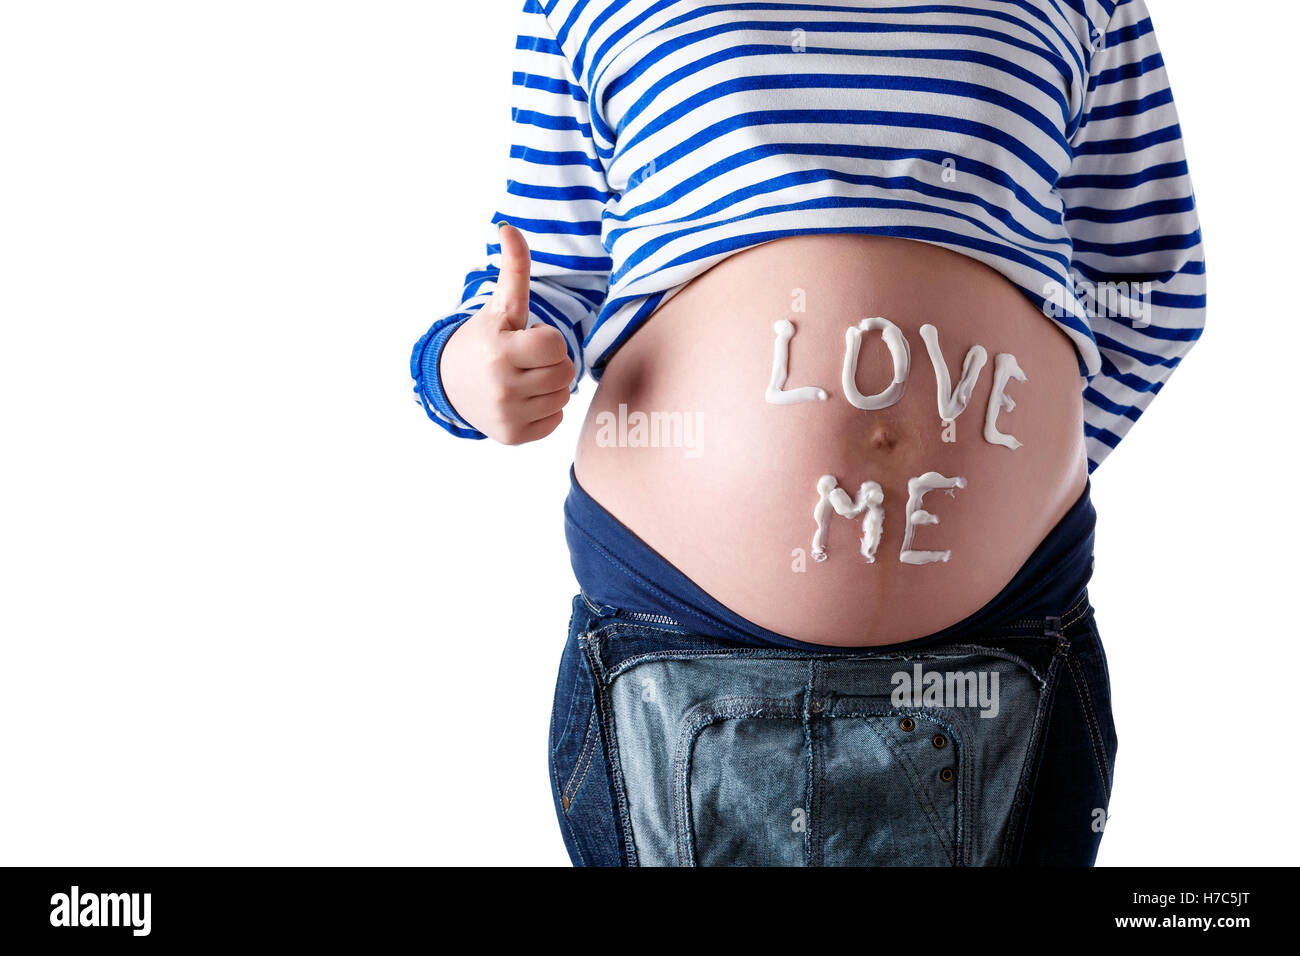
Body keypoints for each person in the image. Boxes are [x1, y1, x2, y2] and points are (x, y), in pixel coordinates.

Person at [410, 0, 1204, 866]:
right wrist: (461, 371)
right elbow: (544, 276)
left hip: (1011, 642)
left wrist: (1016, 468)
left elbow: (1152, 283)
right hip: (673, 635)